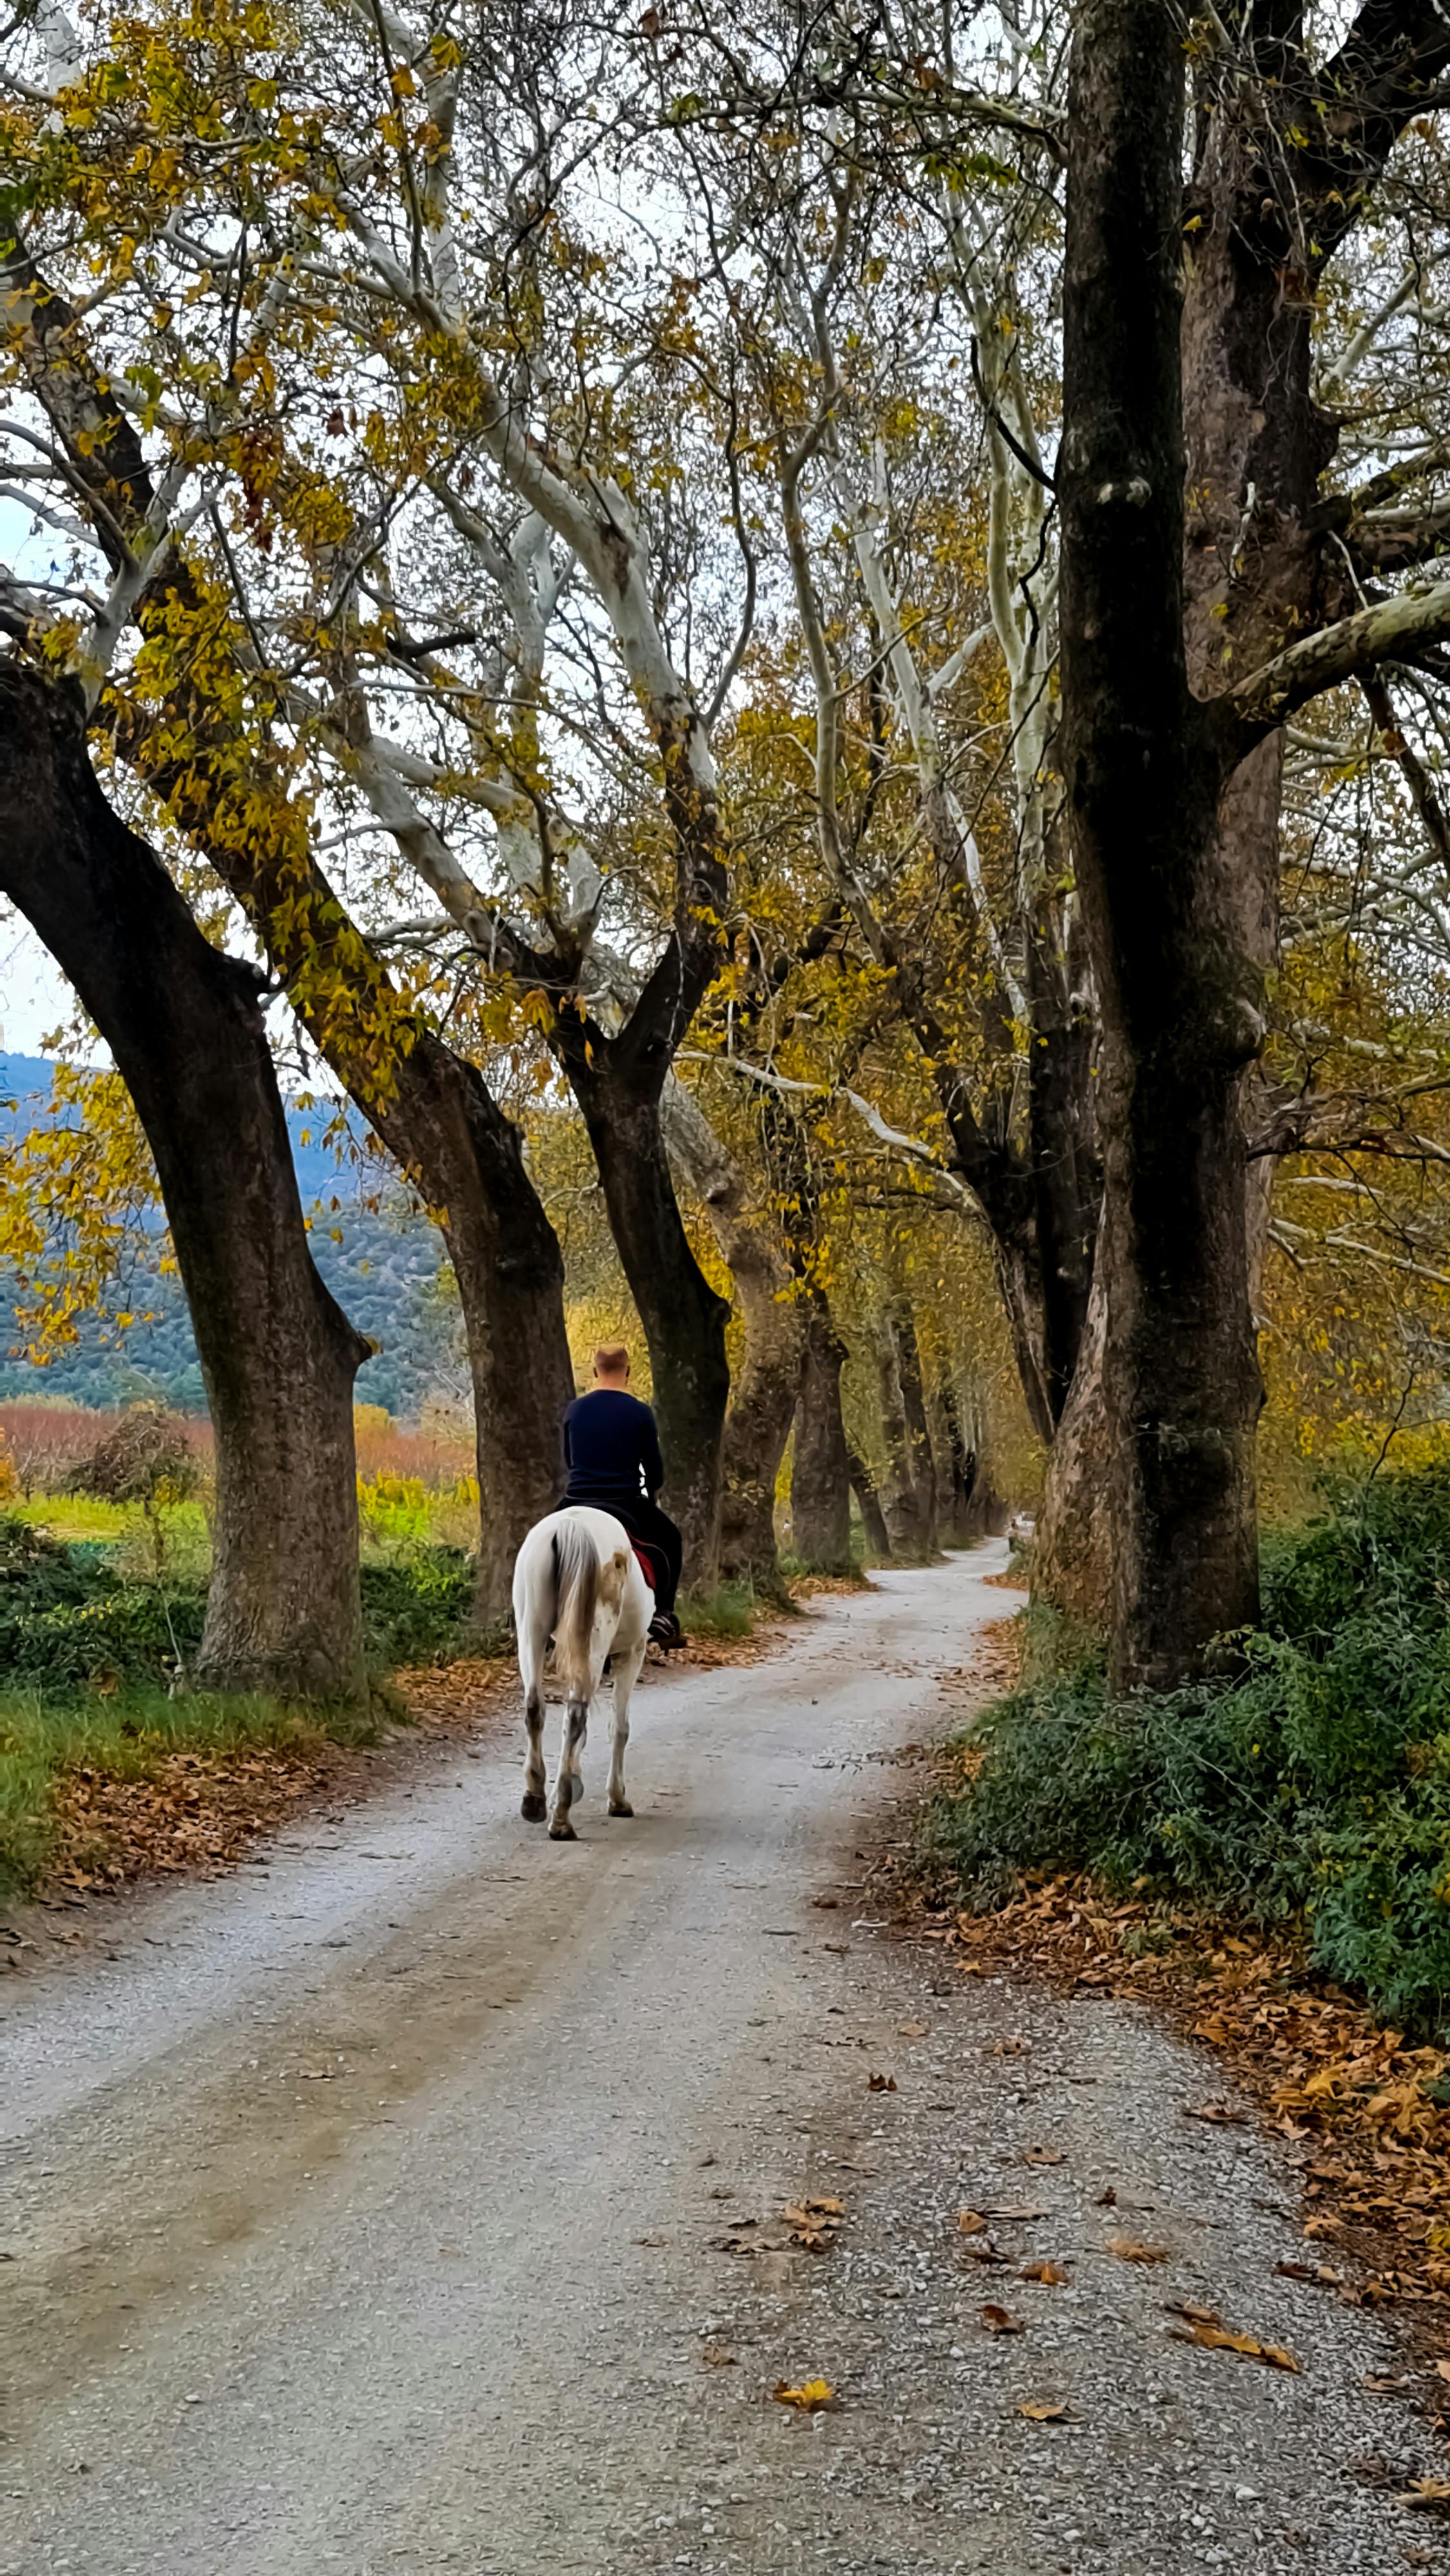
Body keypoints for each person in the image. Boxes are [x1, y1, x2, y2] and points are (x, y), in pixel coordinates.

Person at [561, 1343, 684, 1646]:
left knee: (538, 1541)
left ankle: (528, 1615)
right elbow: (654, 1472)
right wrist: (651, 1490)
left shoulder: (574, 1410)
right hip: (624, 1502)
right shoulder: (640, 1413)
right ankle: (663, 1614)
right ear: (627, 1373)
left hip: (575, 1500)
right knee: (670, 1540)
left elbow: (568, 1459)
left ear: (594, 1372)